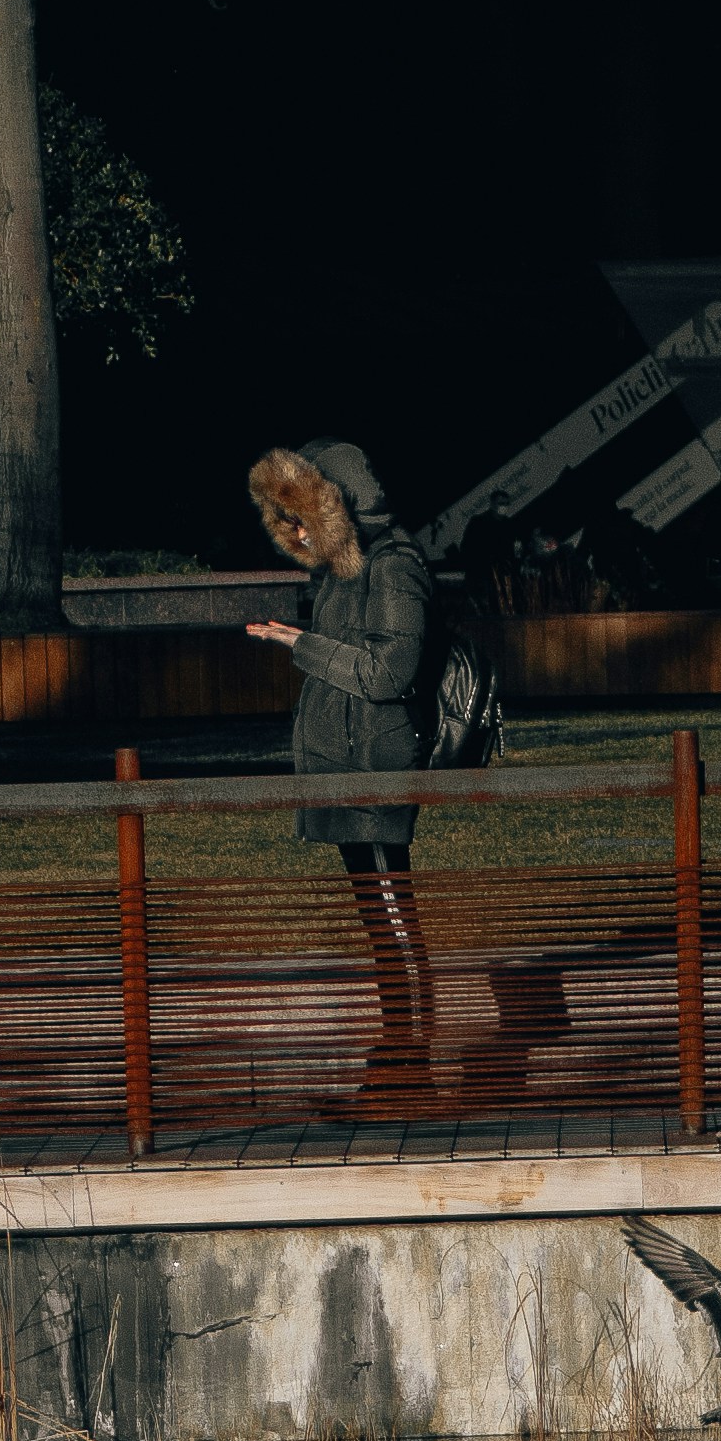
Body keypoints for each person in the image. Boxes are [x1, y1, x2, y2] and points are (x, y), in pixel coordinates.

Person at [246, 440, 435, 1101]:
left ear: (342, 506)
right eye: (287, 519)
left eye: (304, 516)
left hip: (375, 766)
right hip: (346, 765)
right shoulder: (339, 572)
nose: (295, 532)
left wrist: (302, 644)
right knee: (379, 916)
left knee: (391, 910)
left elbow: (390, 671)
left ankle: (410, 1061)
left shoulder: (394, 567)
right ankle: (398, 1050)